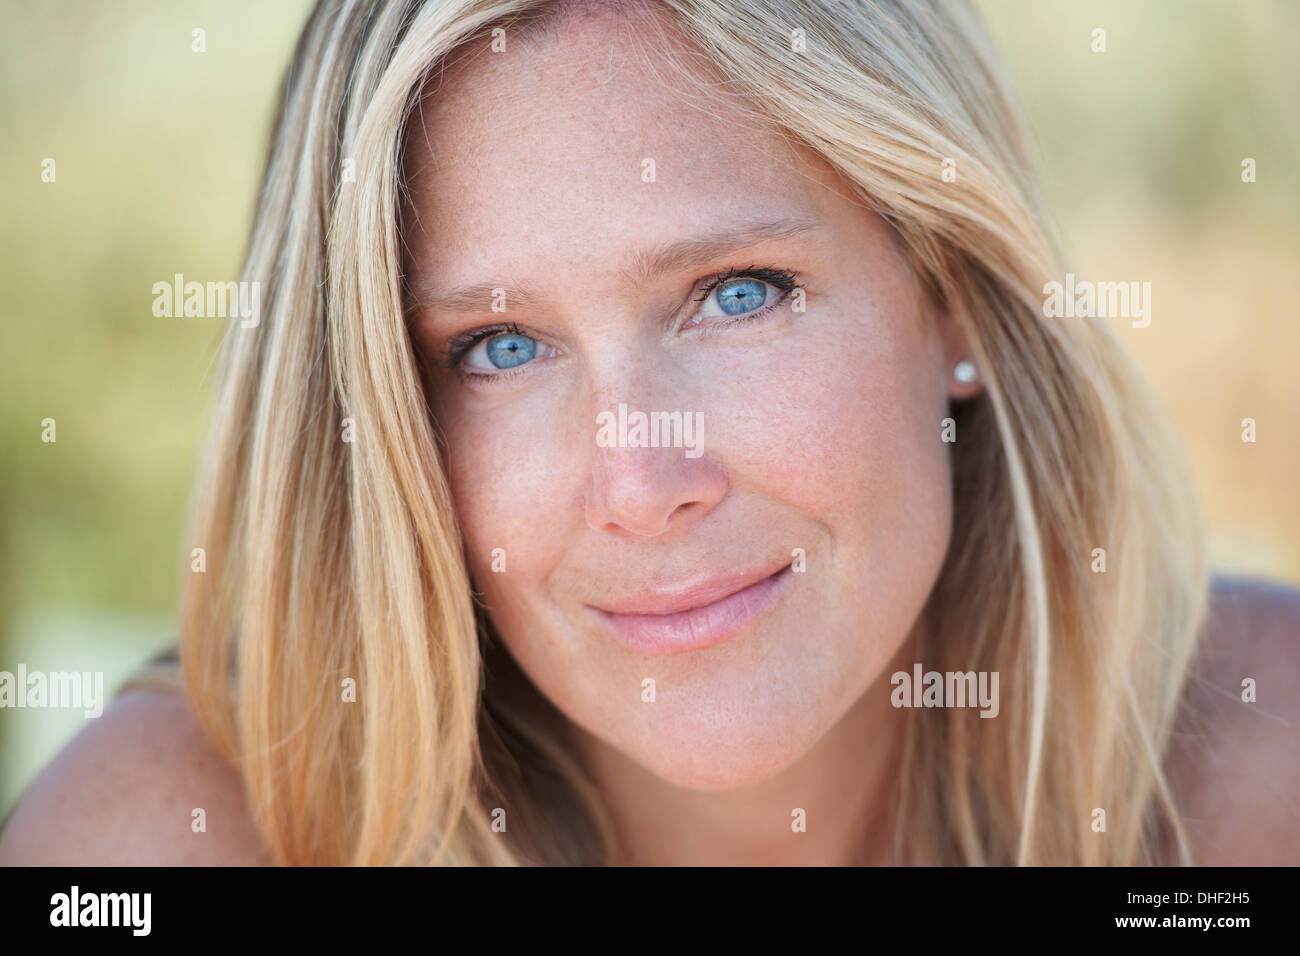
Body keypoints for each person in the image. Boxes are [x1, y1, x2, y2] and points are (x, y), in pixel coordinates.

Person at [2, 0, 1297, 866]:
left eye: (740, 295)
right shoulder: (164, 842)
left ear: (955, 295)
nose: (640, 480)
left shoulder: (1257, 777)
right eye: (497, 349)